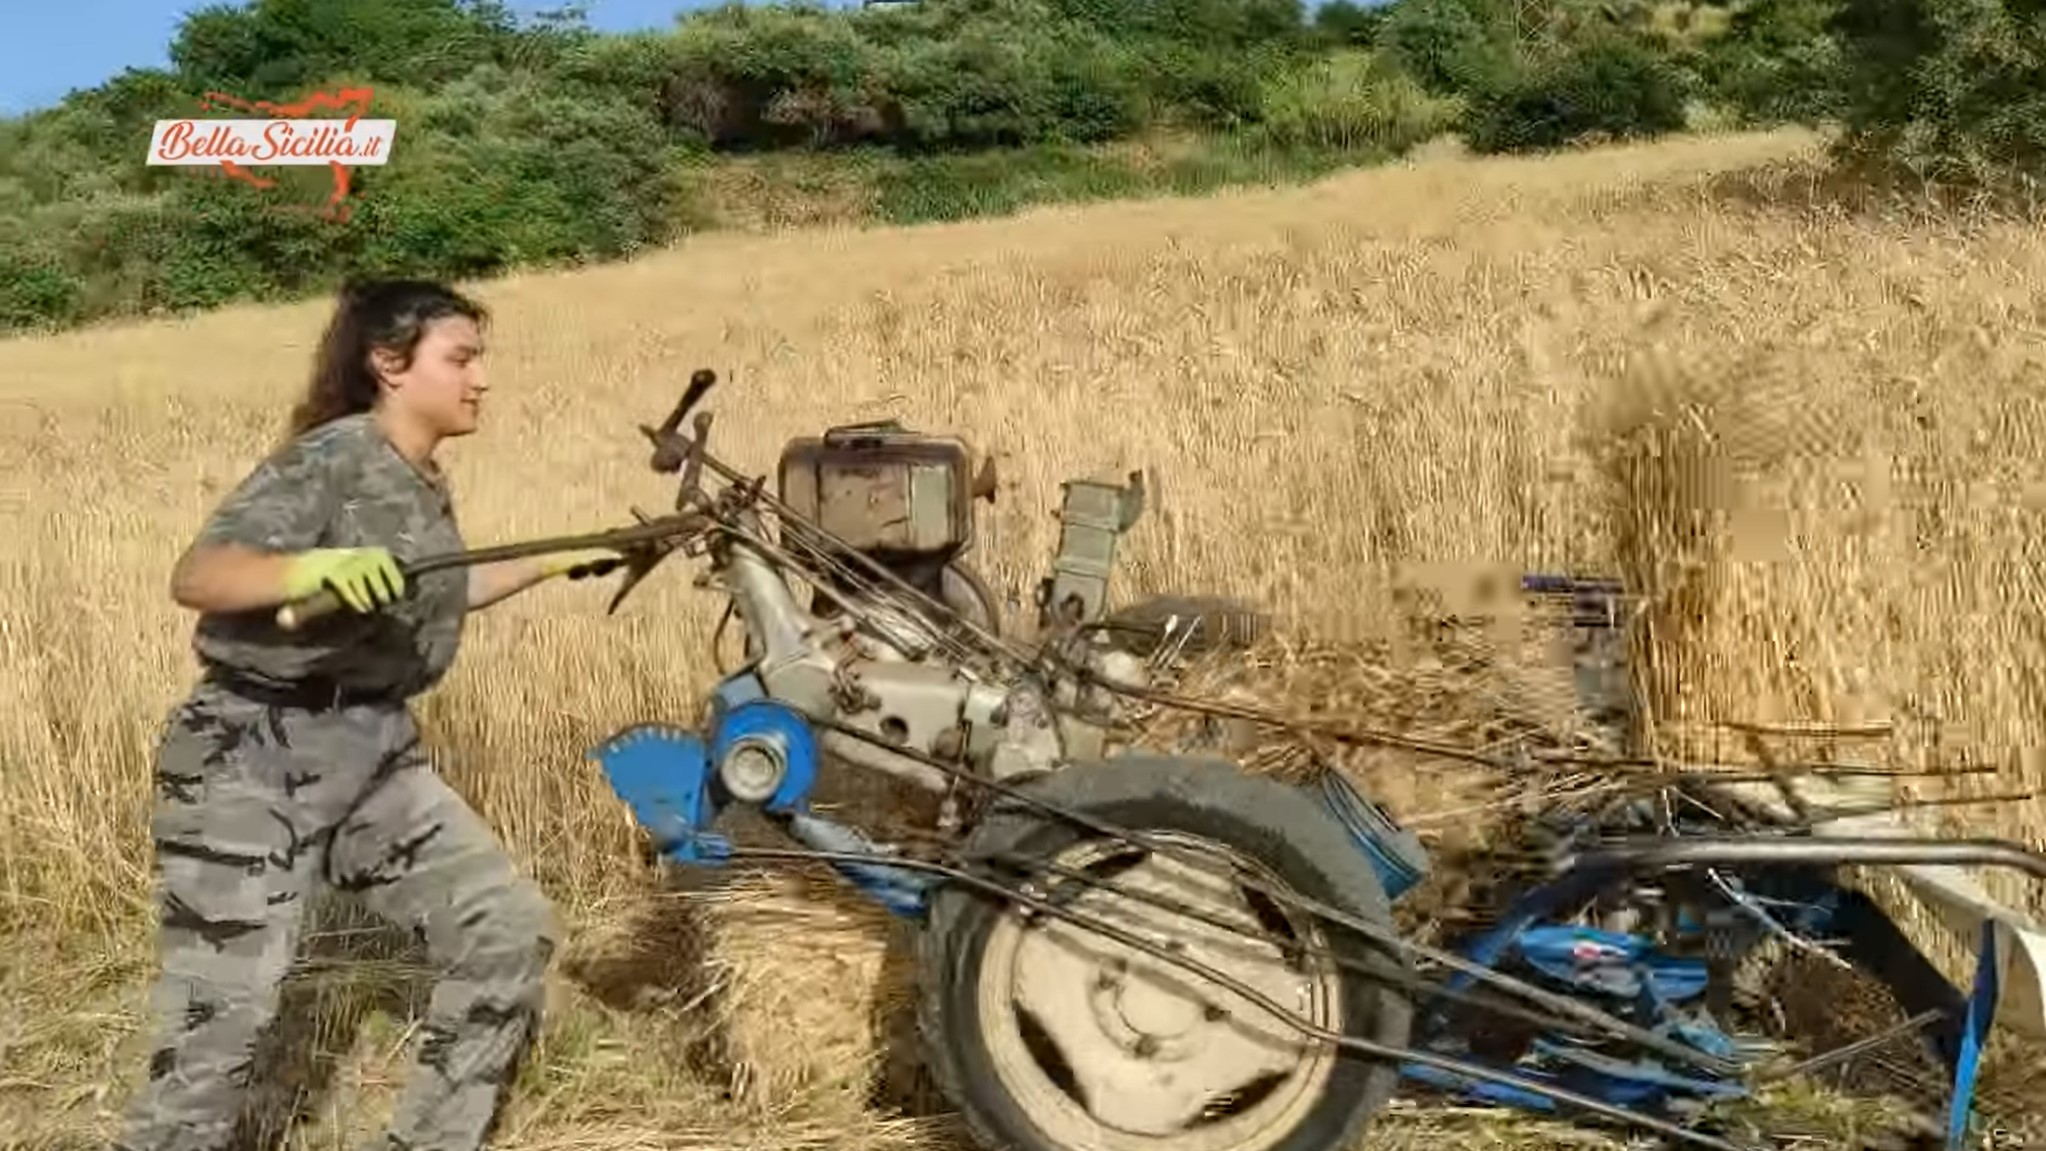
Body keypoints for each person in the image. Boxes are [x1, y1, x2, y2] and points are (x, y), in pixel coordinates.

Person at [114, 277, 624, 1151]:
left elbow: (434, 586)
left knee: (505, 931)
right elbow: (198, 574)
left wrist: (557, 560)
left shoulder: (418, 477)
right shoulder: (336, 456)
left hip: (373, 753)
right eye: (460, 358)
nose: (481, 378)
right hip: (252, 755)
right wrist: (309, 570)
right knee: (219, 1026)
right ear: (391, 364)